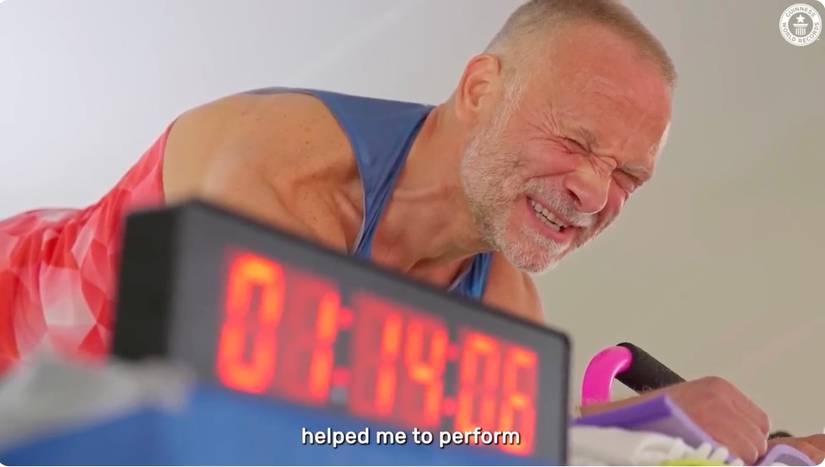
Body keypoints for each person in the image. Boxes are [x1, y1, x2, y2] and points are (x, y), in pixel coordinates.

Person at [0, 0, 822, 463]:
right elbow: (299, 435)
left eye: (628, 177)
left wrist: (666, 428)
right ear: (478, 89)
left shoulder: (506, 307)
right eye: (574, 143)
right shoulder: (280, 165)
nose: (592, 190)